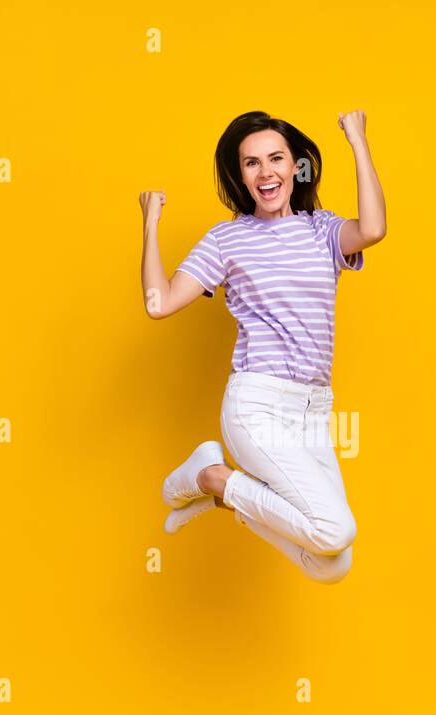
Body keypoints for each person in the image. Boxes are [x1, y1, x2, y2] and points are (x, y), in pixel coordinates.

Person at [139, 109, 386, 583]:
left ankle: (218, 485)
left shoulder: (323, 231)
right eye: (251, 163)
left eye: (276, 159)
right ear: (241, 176)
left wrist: (356, 139)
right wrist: (150, 224)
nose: (266, 172)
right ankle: (214, 477)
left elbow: (373, 229)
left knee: (332, 562)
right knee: (334, 530)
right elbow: (160, 302)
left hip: (313, 410)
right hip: (258, 404)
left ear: (297, 167)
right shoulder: (228, 239)